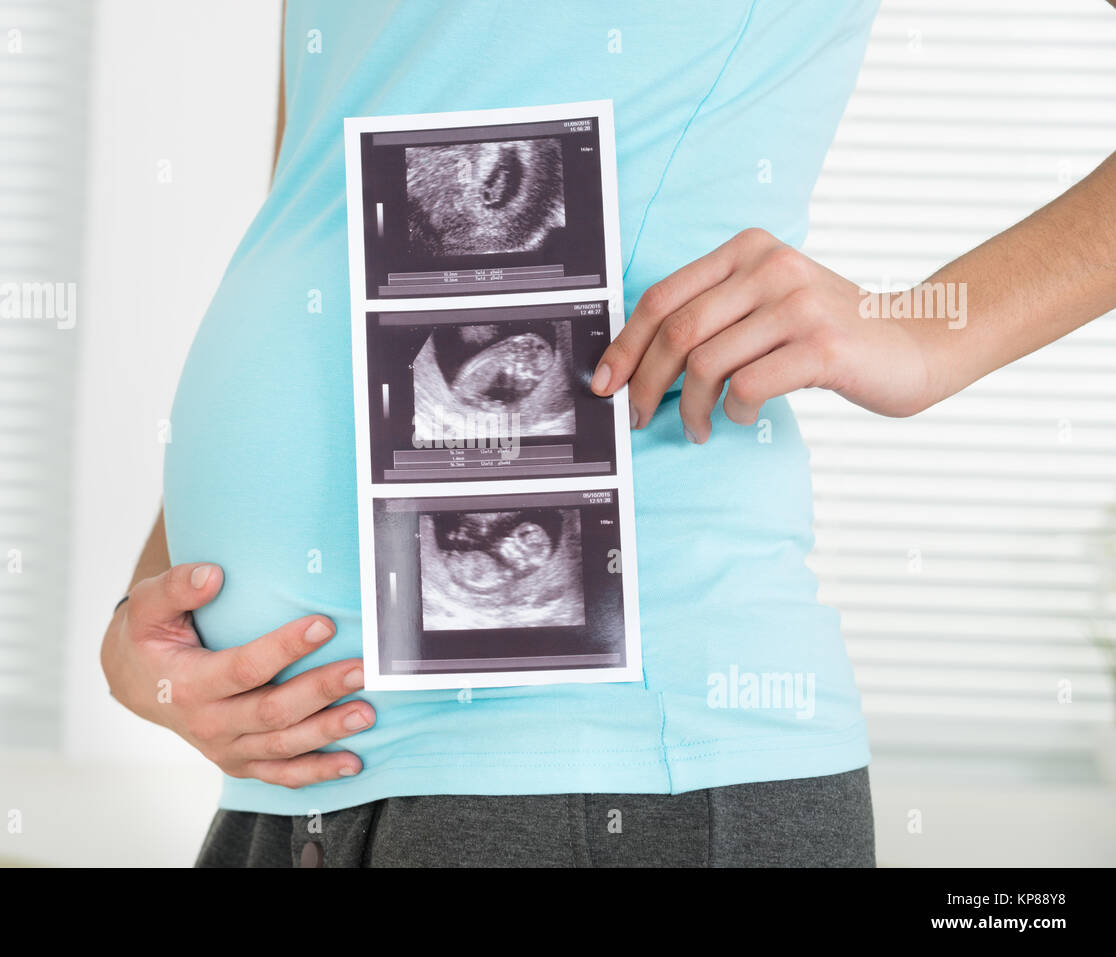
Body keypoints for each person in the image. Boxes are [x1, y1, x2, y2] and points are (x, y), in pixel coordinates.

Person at [99, 0, 1116, 867]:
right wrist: (176, 602)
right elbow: (320, 196)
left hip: (606, 765)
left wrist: (929, 332)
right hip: (286, 777)